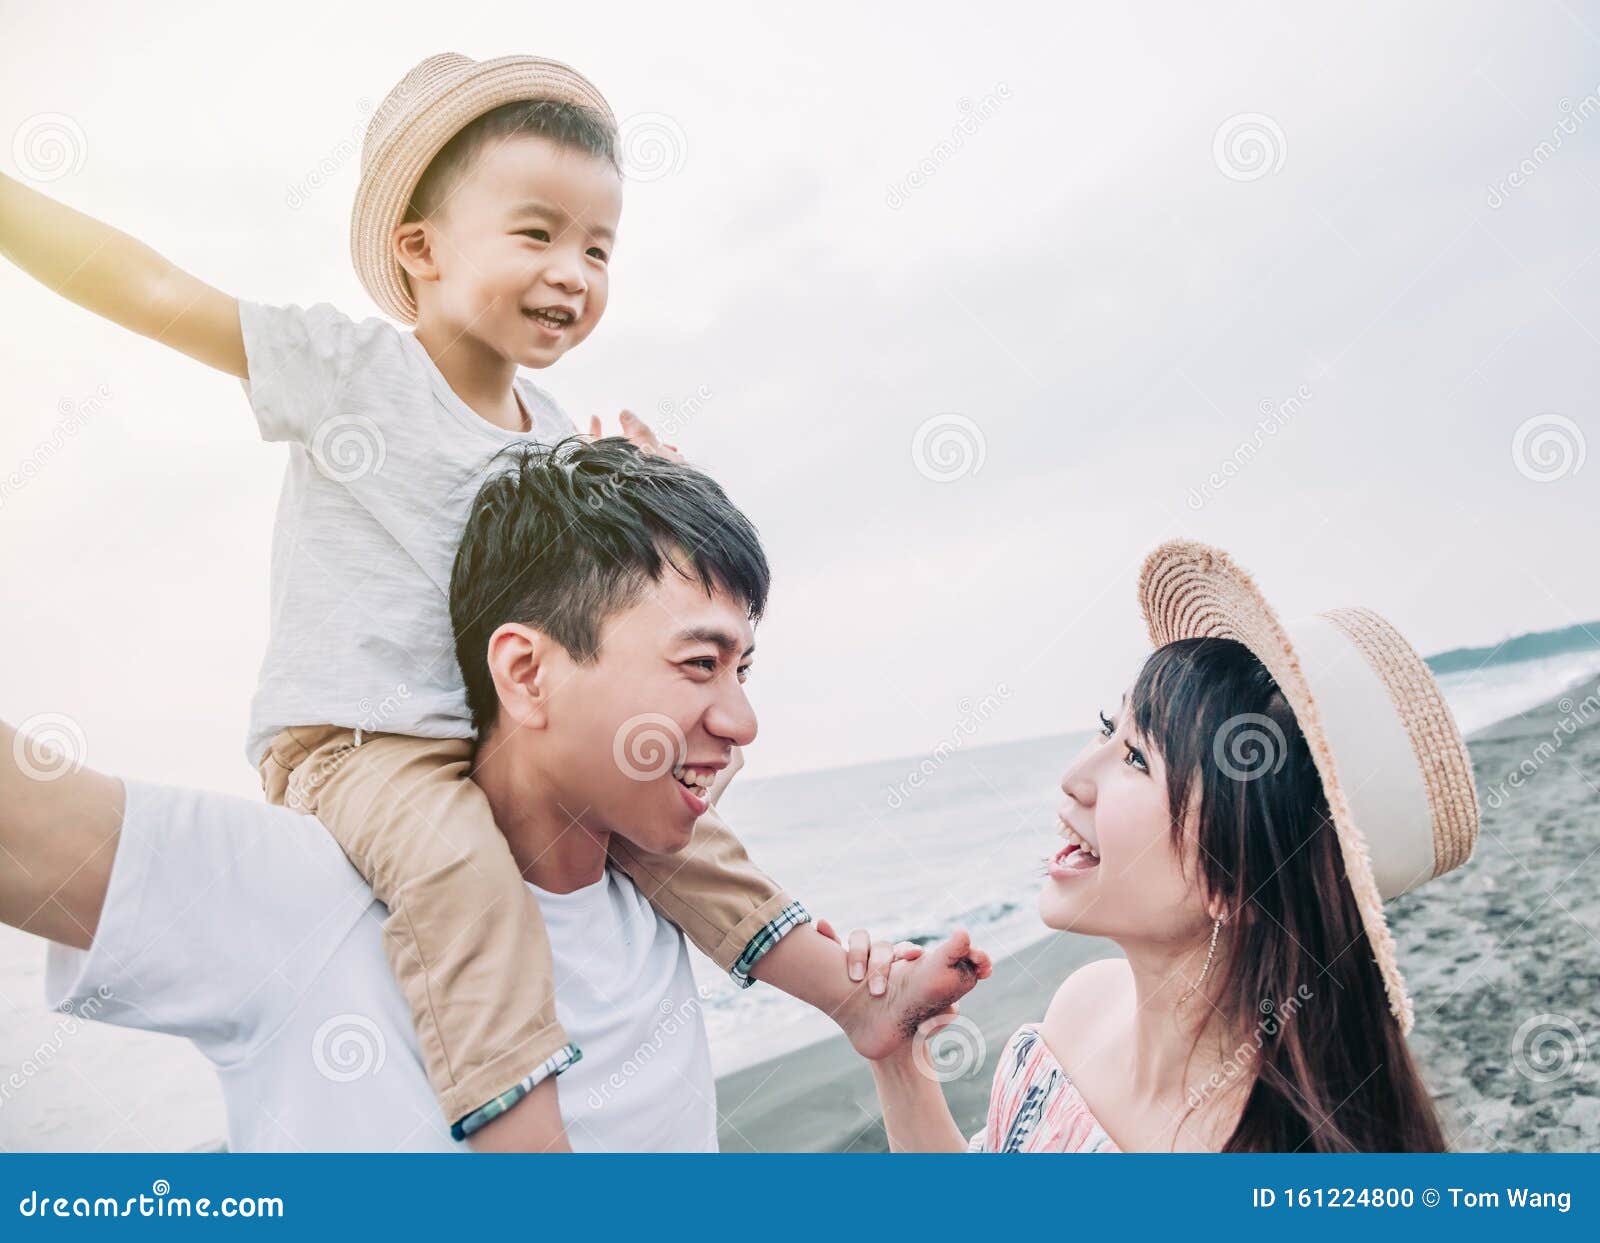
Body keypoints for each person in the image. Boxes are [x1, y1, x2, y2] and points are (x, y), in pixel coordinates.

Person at [0, 53, 852, 1147]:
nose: (574, 272)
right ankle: (523, 1143)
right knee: (463, 877)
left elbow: (630, 593)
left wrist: (659, 489)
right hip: (365, 745)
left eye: (599, 247)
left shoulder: (553, 433)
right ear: (421, 248)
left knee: (681, 835)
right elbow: (157, 291)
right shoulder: (353, 374)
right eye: (536, 233)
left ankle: (845, 985)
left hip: (494, 750)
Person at [0, 438, 990, 1152]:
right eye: (699, 663)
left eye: (745, 670)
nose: (741, 720)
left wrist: (885, 1039)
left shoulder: (661, 893)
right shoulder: (306, 892)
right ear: (524, 672)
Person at [864, 540, 1478, 1152]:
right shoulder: (1083, 1008)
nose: (1075, 778)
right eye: (1109, 728)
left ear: (1236, 879)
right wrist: (896, 1051)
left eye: (1135, 758)